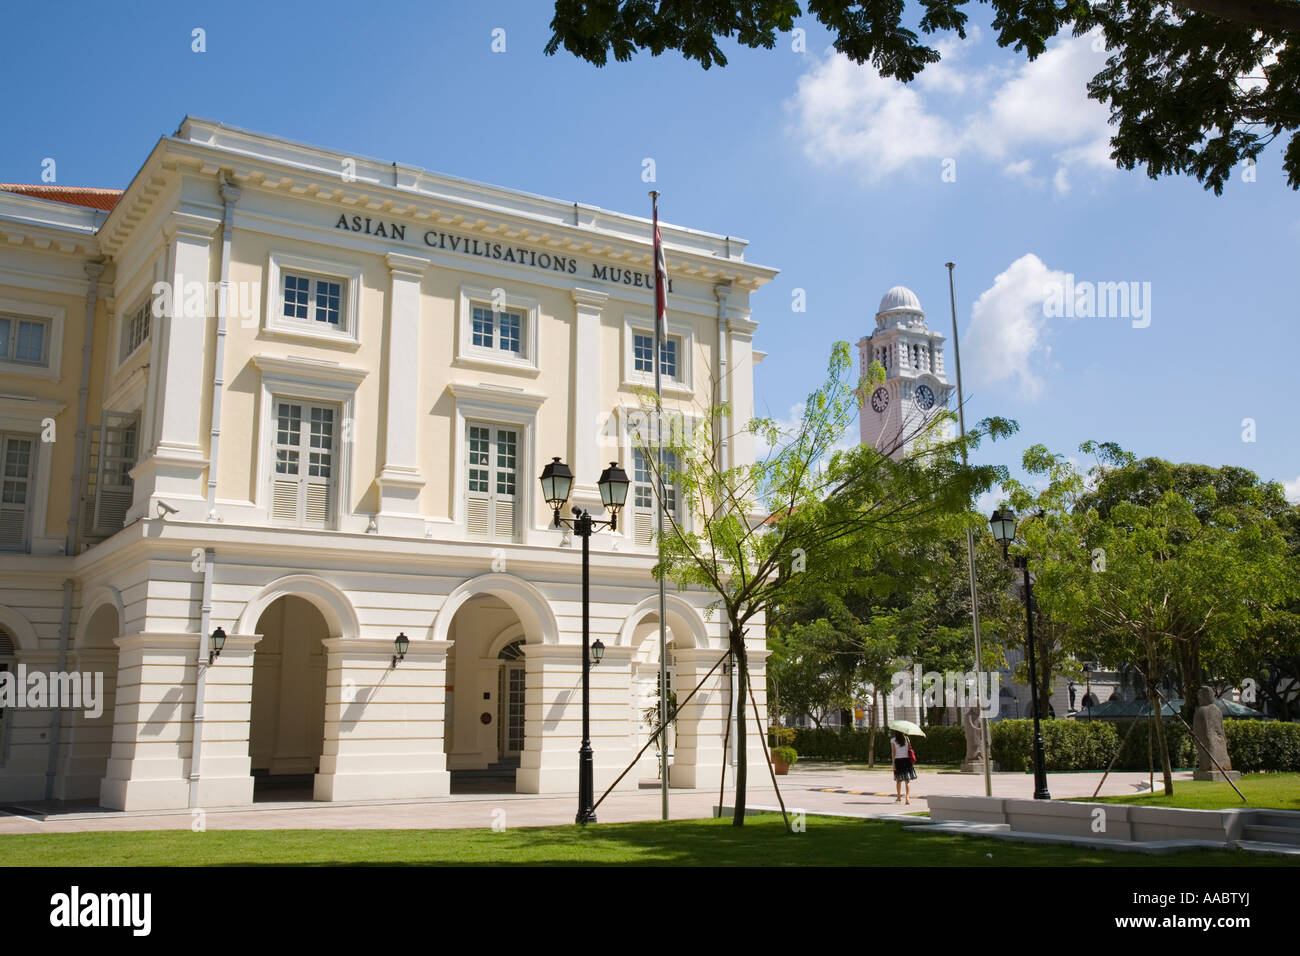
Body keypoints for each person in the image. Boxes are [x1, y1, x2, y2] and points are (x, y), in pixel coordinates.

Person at [890, 730, 916, 804]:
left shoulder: (893, 740)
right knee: (907, 780)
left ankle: (898, 797)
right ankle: (907, 797)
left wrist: (893, 763)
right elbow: (910, 749)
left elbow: (893, 752)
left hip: (898, 761)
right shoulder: (906, 738)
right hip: (907, 761)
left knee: (898, 780)